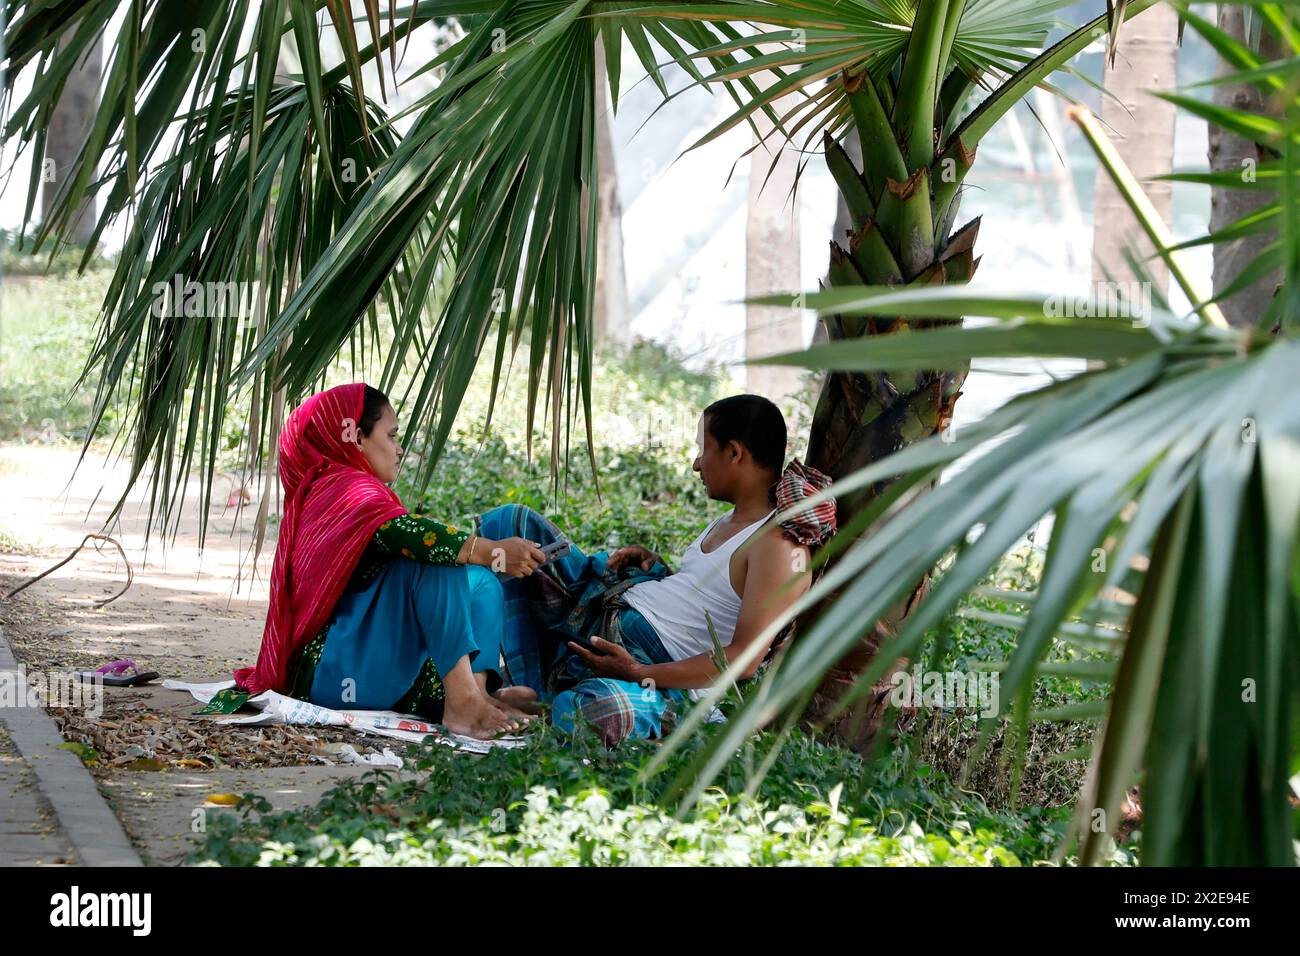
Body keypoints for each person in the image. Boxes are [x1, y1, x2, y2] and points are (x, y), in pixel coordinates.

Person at [478, 394, 836, 745]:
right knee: (512, 524)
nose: (696, 465)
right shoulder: (729, 519)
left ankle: (543, 704)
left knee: (603, 708)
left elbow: (742, 658)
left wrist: (641, 673)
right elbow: (701, 596)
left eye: (702, 449)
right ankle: (499, 687)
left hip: (649, 669)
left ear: (734, 452)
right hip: (597, 615)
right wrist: (657, 566)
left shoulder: (779, 546)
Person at [232, 383, 546, 740]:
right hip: (336, 676)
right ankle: (463, 705)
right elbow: (407, 534)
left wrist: (486, 560)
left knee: (480, 582)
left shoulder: (354, 489)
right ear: (356, 437)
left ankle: (475, 696)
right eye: (392, 435)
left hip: (373, 663)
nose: (399, 449)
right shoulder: (340, 491)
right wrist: (493, 550)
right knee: (436, 562)